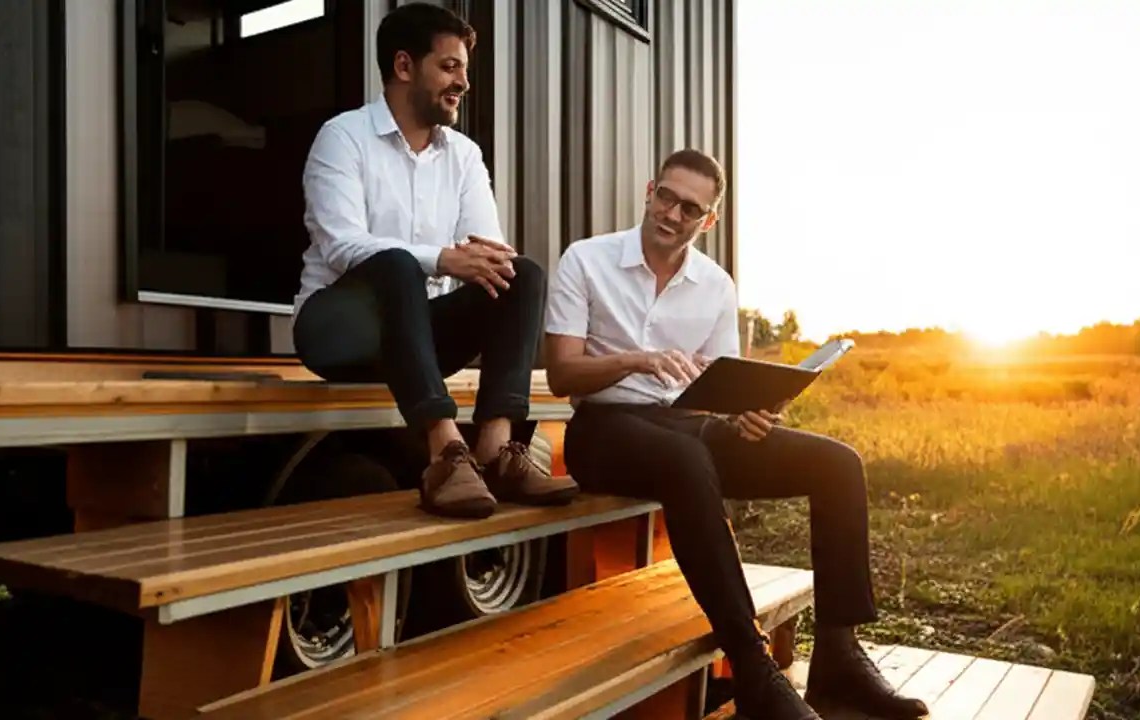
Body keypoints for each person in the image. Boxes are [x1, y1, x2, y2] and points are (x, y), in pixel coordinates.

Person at [543, 149, 930, 720]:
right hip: (603, 428)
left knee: (837, 464)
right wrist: (638, 361)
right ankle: (751, 667)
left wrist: (748, 414)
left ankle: (839, 659)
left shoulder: (715, 287)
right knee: (685, 458)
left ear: (709, 221)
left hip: (689, 426)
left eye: (690, 208)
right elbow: (561, 373)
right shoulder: (587, 259)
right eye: (667, 197)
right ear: (651, 190)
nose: (673, 214)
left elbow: (723, 386)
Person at [292, 2, 576, 519]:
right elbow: (342, 245)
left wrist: (473, 262)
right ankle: (446, 451)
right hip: (337, 331)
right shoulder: (343, 138)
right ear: (404, 66)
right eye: (450, 67)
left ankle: (496, 449)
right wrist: (442, 260)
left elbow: (489, 252)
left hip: (416, 339)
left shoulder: (464, 155)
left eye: (465, 69)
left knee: (521, 274)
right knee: (397, 263)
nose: (463, 82)